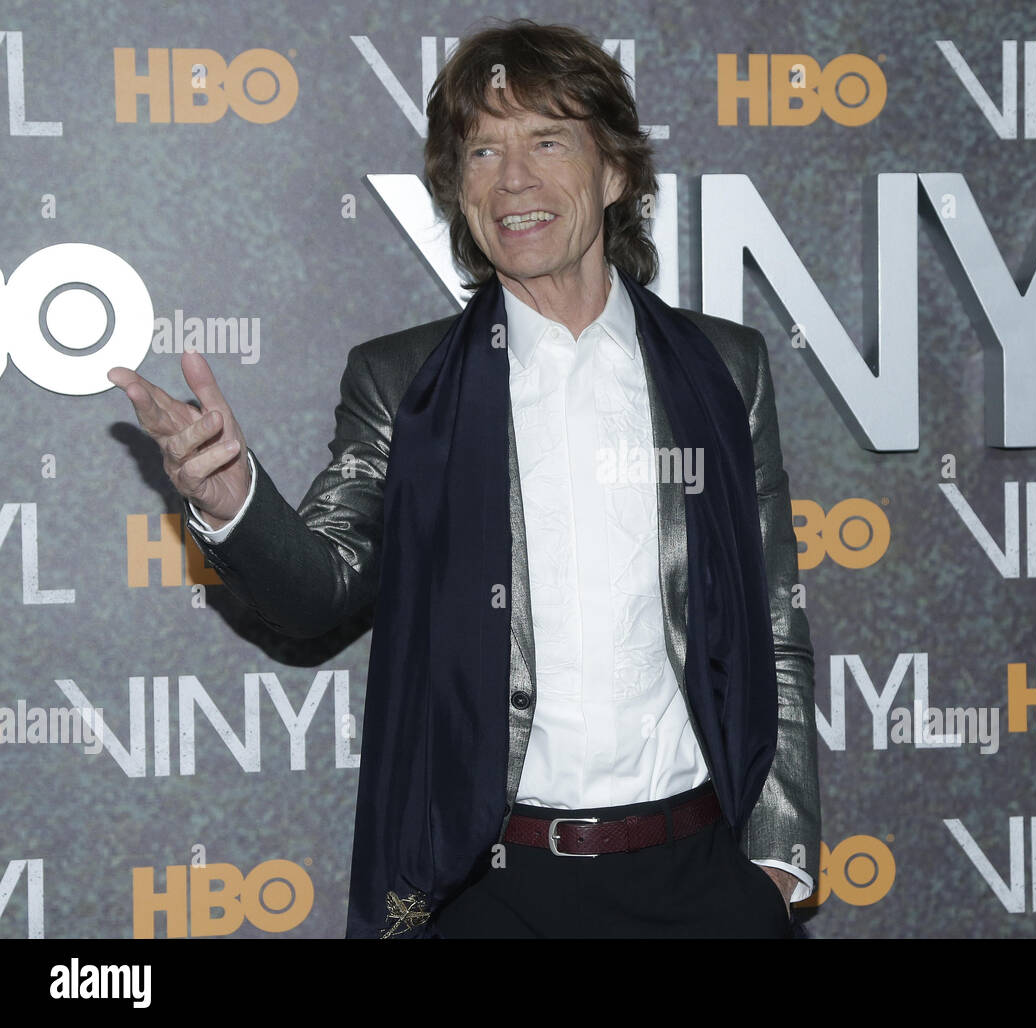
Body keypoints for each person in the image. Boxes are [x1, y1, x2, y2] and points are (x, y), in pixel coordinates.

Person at [109, 19, 819, 939]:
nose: (512, 178)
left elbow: (775, 623)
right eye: (483, 150)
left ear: (615, 175)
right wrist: (229, 498)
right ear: (459, 193)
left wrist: (777, 863)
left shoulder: (724, 367)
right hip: (488, 890)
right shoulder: (404, 383)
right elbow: (320, 588)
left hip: (701, 879)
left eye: (546, 141)